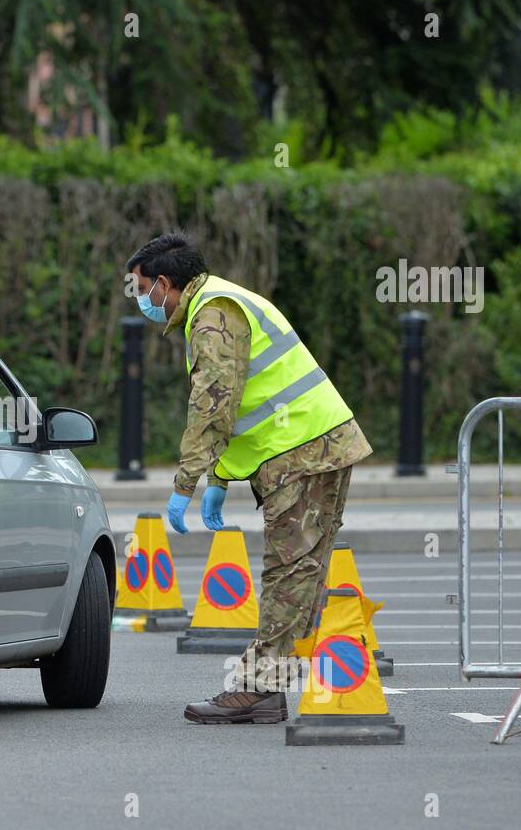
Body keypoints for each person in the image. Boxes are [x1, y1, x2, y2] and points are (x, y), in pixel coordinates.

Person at [126, 233, 373, 724]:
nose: (139, 301)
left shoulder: (213, 313)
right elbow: (246, 407)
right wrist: (221, 476)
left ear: (164, 283)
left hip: (304, 450)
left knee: (288, 573)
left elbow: (213, 405)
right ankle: (277, 684)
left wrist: (186, 484)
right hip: (314, 446)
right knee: (301, 573)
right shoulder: (223, 300)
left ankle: (260, 688)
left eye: (139, 289)